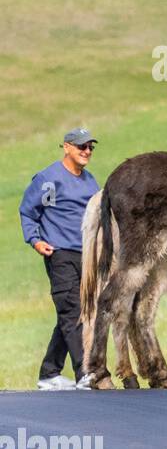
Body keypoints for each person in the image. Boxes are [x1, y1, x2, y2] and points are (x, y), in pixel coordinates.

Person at [19, 128, 100, 390]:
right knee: (72, 311)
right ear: (66, 147)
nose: (86, 151)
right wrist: (35, 240)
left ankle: (49, 373)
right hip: (60, 254)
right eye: (81, 146)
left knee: (74, 313)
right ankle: (84, 372)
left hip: (87, 256)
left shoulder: (90, 182)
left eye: (90, 147)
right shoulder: (49, 180)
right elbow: (28, 211)